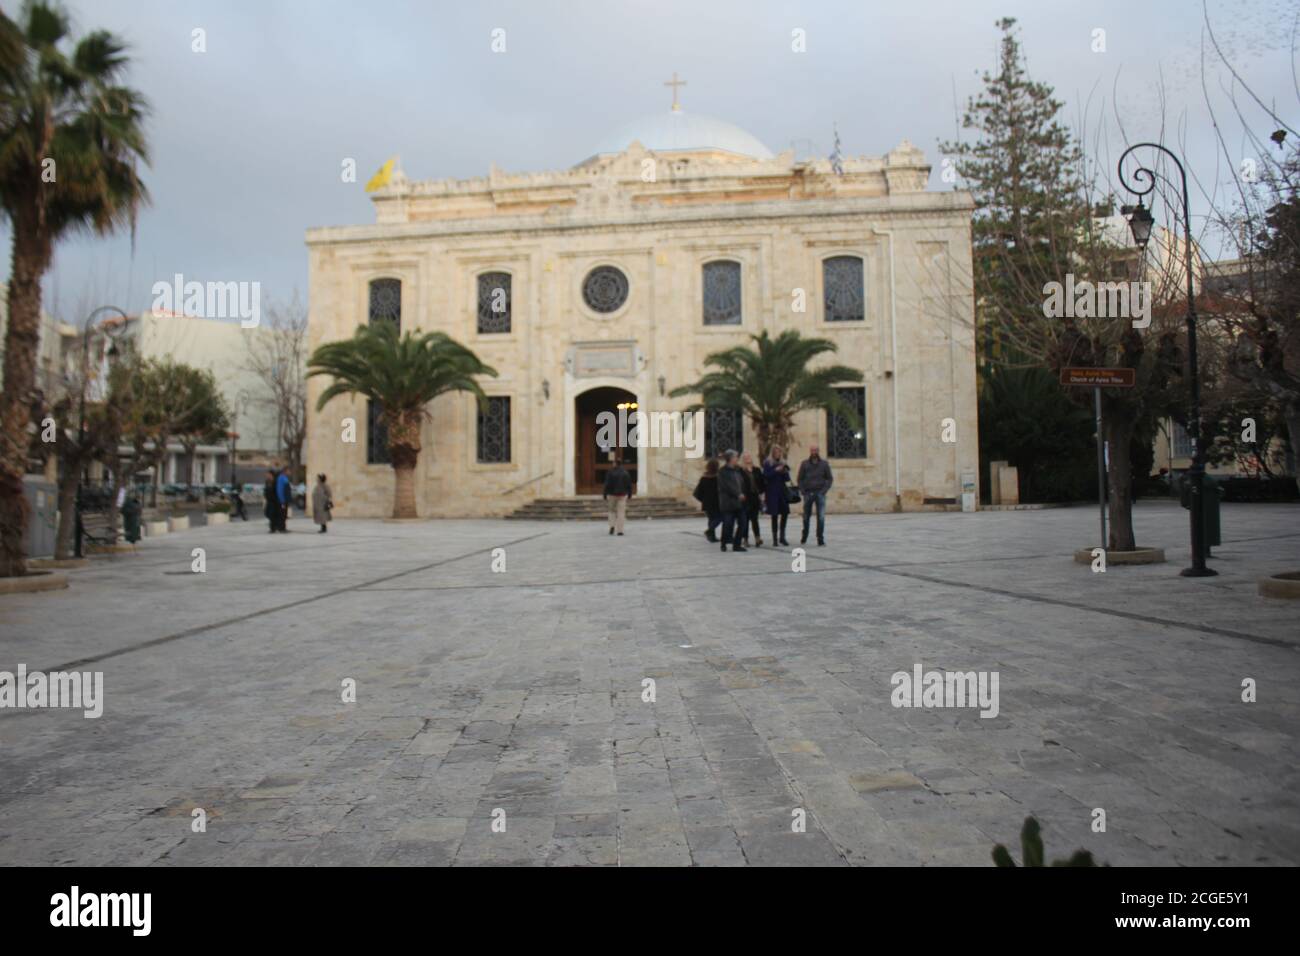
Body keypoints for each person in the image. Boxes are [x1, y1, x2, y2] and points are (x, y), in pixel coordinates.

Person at [797, 444, 833, 546]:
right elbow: (800, 479)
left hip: (820, 493)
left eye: (816, 450)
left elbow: (829, 478)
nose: (814, 452)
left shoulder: (824, 464)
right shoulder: (804, 464)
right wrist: (803, 491)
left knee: (821, 517)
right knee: (806, 517)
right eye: (812, 450)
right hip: (808, 493)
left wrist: (824, 491)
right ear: (810, 451)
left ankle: (820, 538)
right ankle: (805, 535)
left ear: (818, 451)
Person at [717, 450, 748, 553]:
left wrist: (742, 493)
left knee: (743, 523)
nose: (737, 459)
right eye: (735, 457)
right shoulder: (722, 471)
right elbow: (726, 486)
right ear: (730, 459)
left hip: (740, 502)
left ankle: (737, 544)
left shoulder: (738, 470)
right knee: (728, 524)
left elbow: (742, 483)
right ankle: (724, 543)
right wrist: (737, 494)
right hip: (728, 502)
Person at [762, 445, 792, 546]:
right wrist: (775, 470)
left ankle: (782, 537)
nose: (777, 454)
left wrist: (784, 471)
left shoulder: (783, 462)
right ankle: (775, 538)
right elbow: (766, 476)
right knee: (774, 515)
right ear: (772, 453)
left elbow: (787, 479)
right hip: (772, 492)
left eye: (779, 452)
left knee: (785, 513)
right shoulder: (768, 463)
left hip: (782, 492)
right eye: (775, 452)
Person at [692, 459, 722, 542]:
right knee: (720, 517)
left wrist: (703, 500)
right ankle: (709, 531)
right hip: (716, 502)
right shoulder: (718, 478)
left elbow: (698, 492)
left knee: (711, 519)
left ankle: (711, 537)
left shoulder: (704, 478)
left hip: (707, 503)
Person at [739, 452, 764, 547]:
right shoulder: (740, 471)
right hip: (745, 498)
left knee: (755, 519)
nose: (747, 458)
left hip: (755, 497)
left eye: (749, 456)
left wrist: (762, 493)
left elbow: (761, 483)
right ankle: (745, 539)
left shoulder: (756, 470)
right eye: (745, 457)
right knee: (745, 519)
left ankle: (757, 538)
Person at [602, 458, 633, 536]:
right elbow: (629, 484)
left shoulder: (610, 472)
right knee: (621, 513)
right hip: (622, 495)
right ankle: (620, 530)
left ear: (615, 463)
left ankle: (612, 526)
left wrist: (605, 494)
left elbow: (607, 484)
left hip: (612, 495)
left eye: (613, 463)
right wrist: (629, 494)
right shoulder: (625, 473)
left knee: (611, 511)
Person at [274, 466, 292, 532]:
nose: (290, 472)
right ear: (285, 471)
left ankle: (283, 527)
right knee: (282, 514)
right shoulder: (281, 478)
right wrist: (282, 501)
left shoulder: (285, 478)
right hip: (282, 501)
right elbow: (280, 490)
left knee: (284, 514)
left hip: (285, 500)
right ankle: (281, 528)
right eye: (288, 471)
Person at [263, 469, 281, 534]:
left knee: (273, 514)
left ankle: (273, 528)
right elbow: (265, 490)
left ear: (271, 475)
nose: (267, 475)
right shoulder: (267, 481)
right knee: (267, 513)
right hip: (269, 500)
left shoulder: (275, 481)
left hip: (274, 501)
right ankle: (274, 526)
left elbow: (277, 491)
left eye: (268, 474)